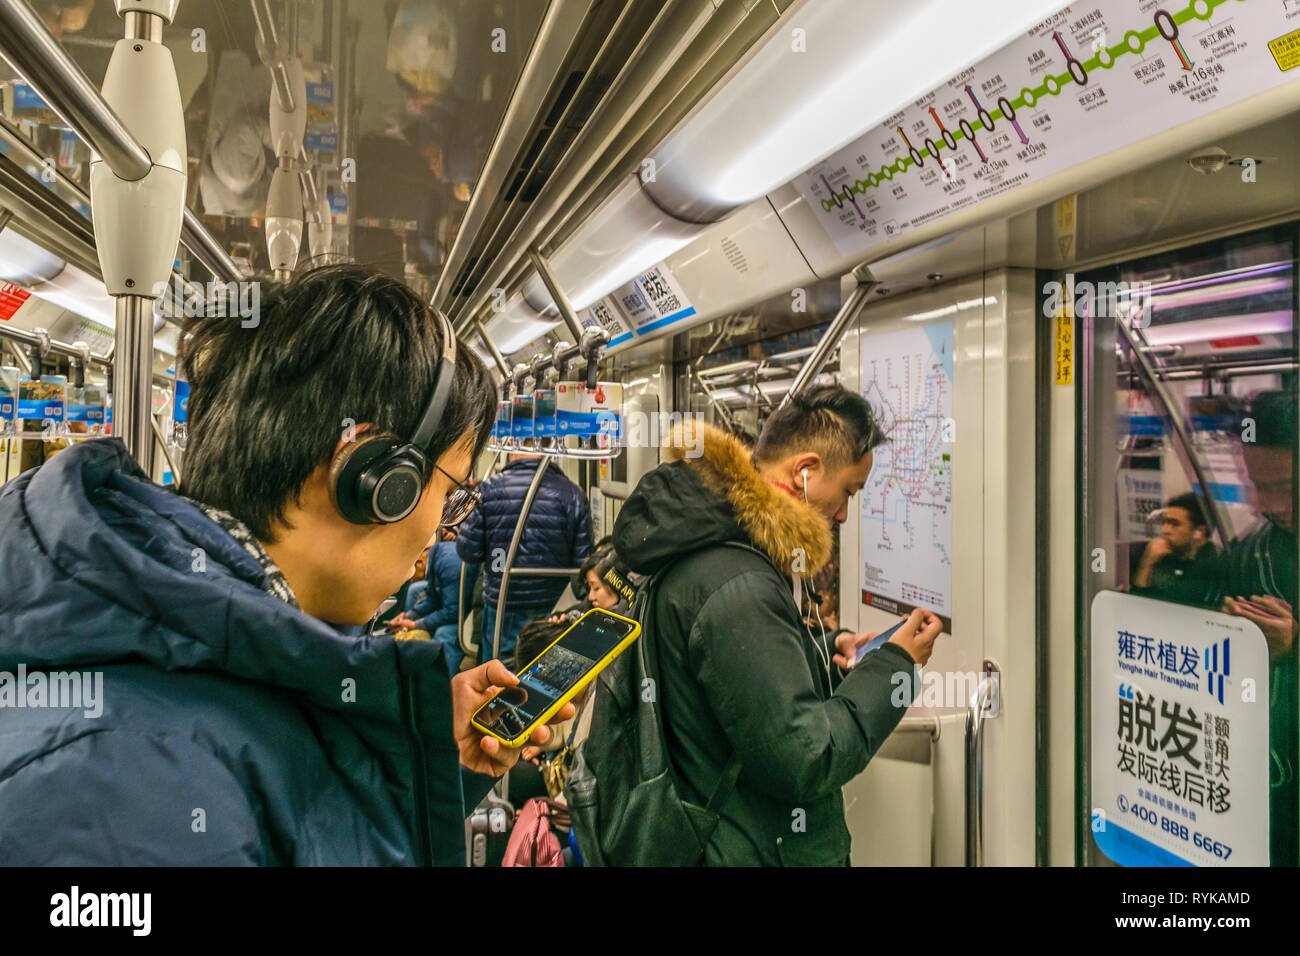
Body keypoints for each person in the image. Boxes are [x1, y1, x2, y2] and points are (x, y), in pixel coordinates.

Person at [0, 264, 572, 865]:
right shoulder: (121, 791)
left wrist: (432, 762)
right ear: (371, 475)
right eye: (452, 491)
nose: (443, 530)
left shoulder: (222, 680)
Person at [608, 385, 943, 865]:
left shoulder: (707, 547)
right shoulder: (739, 583)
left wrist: (830, 650)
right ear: (805, 471)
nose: (845, 513)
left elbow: (740, 679)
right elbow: (806, 757)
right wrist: (895, 665)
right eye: (848, 490)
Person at [1218, 390, 1298, 865]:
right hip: (1266, 785)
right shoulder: (1250, 552)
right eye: (1256, 483)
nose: (1269, 503)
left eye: (1286, 486)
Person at [456, 453, 593, 663]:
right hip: (552, 605)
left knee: (498, 674)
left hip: (502, 602)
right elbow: (583, 563)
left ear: (512, 446)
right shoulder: (573, 494)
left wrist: (495, 551)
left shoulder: (488, 490)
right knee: (542, 670)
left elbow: (468, 551)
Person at [390, 528, 478, 671]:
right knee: (415, 592)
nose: (410, 578)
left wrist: (415, 625)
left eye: (410, 575)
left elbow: (453, 612)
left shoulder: (449, 564)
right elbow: (433, 599)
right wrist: (409, 616)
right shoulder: (436, 559)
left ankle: (444, 687)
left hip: (471, 613)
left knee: (444, 634)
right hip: (460, 606)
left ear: (419, 562)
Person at [1131, 491, 1223, 608]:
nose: (1165, 530)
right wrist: (1146, 563)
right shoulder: (1166, 555)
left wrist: (1146, 565)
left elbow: (1153, 607)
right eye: (1164, 522)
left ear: (1199, 532)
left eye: (1174, 524)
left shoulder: (1212, 564)